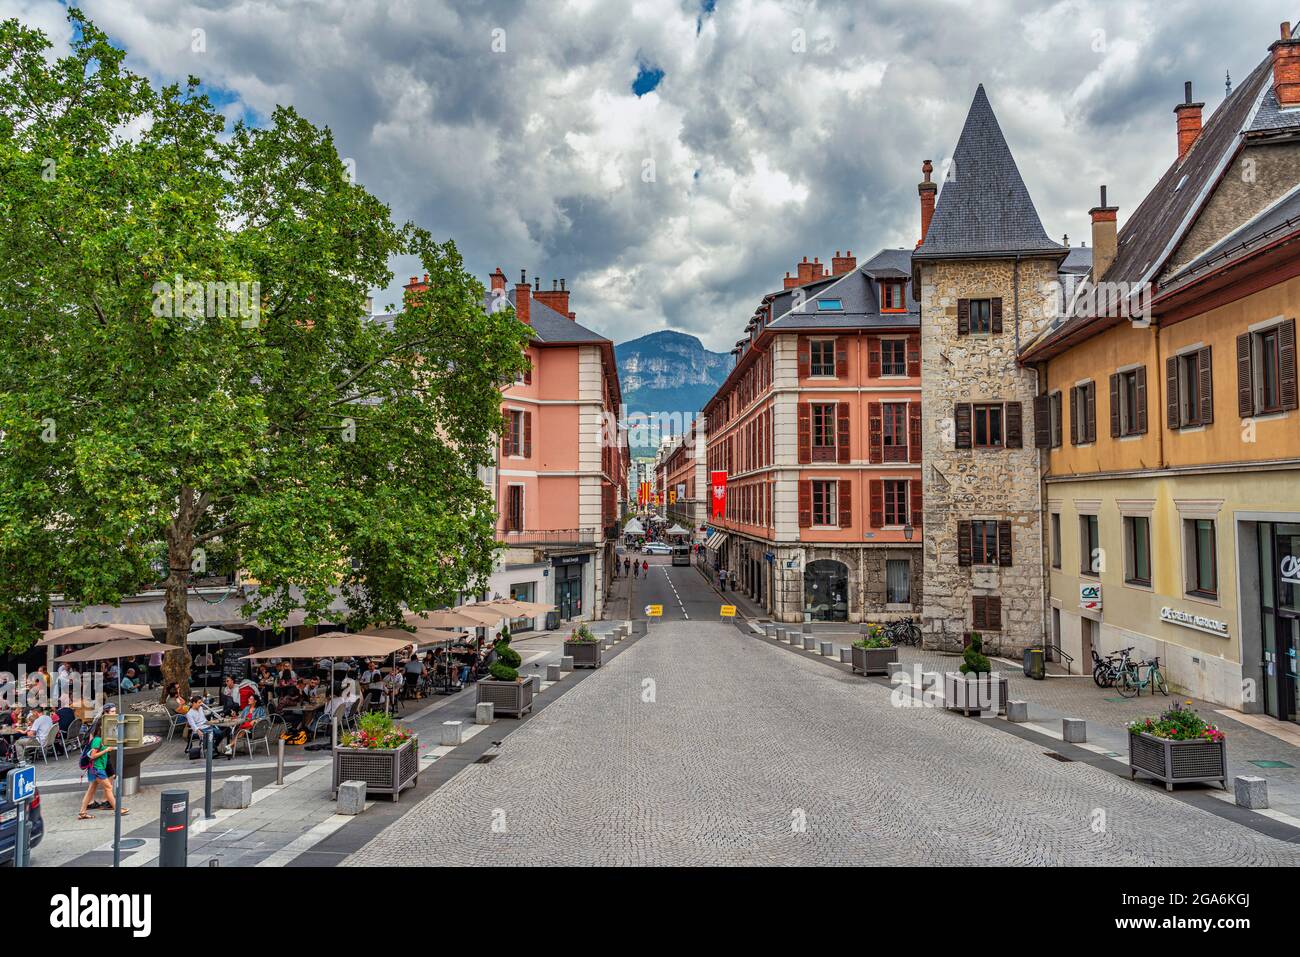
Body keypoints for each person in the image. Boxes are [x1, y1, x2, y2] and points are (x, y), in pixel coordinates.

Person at [77, 716, 126, 820]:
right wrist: (106, 750)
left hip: (96, 768)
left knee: (91, 790)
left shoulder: (100, 739)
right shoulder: (98, 740)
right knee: (108, 787)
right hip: (97, 768)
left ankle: (82, 812)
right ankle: (118, 810)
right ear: (101, 727)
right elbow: (93, 755)